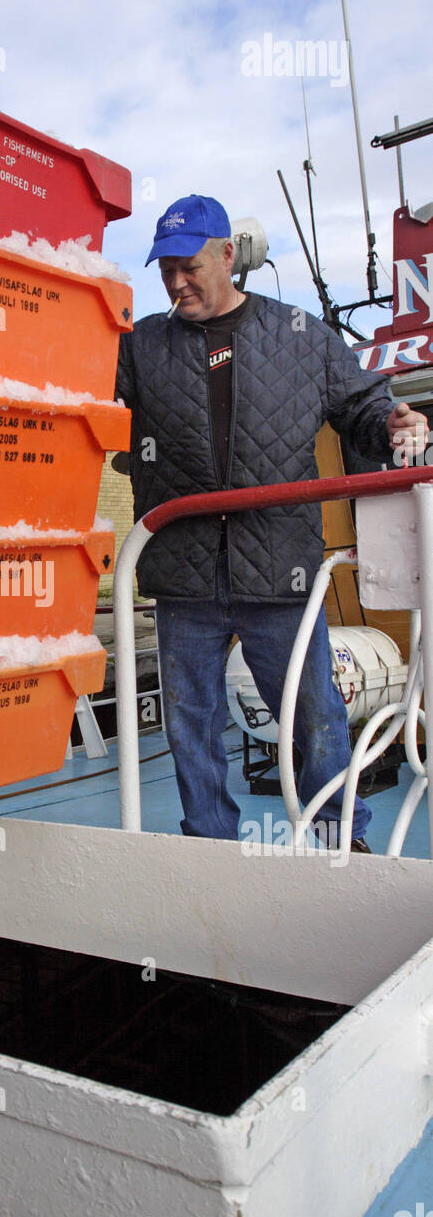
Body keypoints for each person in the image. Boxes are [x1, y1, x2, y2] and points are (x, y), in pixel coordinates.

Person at [115, 193, 428, 849]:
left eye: (189, 265)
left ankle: (342, 839)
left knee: (314, 718)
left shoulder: (303, 336)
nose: (175, 281)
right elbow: (74, 398)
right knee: (191, 727)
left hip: (280, 573)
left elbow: (366, 414)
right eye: (165, 268)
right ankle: (210, 847)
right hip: (184, 577)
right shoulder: (141, 346)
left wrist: (397, 422)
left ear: (228, 255)